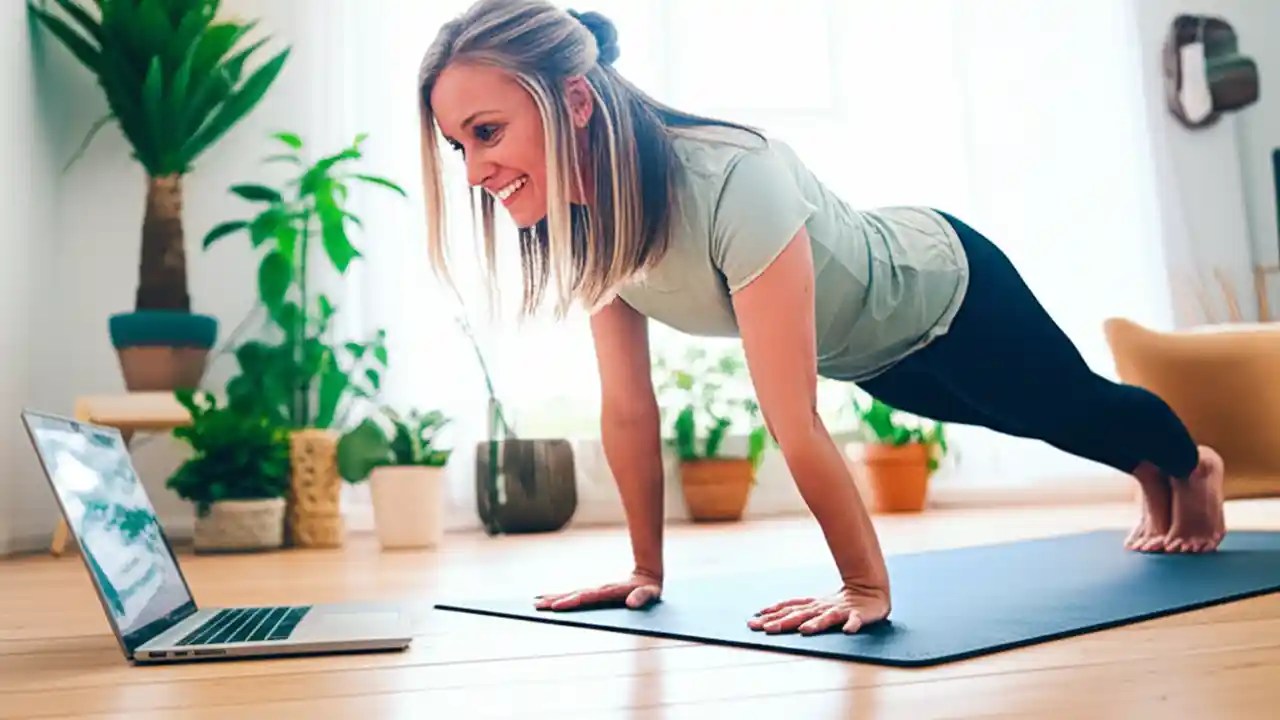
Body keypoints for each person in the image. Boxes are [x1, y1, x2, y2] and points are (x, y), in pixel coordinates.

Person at [417, 0, 1227, 636]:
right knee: (1029, 421)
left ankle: (1191, 467)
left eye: (488, 132)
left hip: (946, 286)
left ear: (578, 102)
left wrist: (866, 588)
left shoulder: (734, 177)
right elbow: (629, 407)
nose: (478, 169)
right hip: (874, 354)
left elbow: (792, 417)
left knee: (1068, 404)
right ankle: (1146, 471)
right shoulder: (585, 222)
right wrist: (643, 570)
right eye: (460, 146)